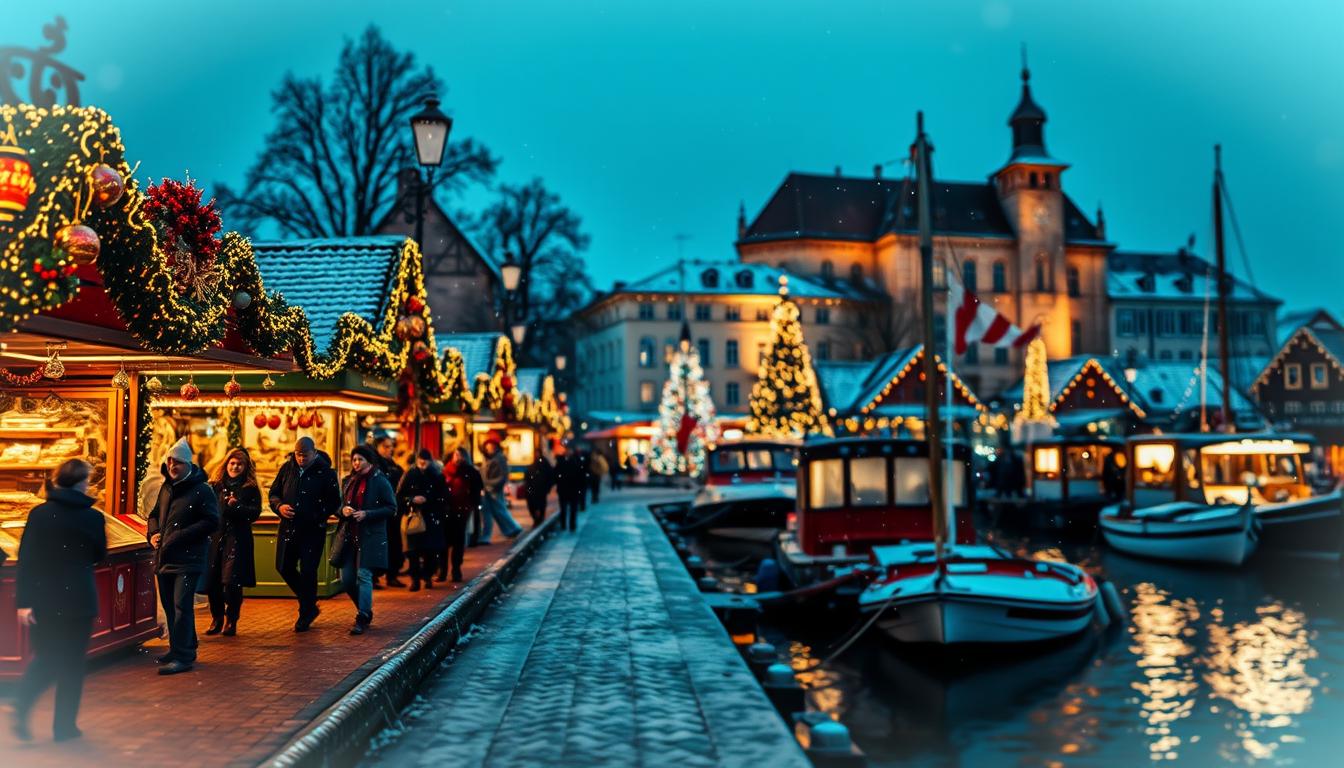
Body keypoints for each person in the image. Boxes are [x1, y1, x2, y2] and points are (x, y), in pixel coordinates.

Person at [11, 459, 107, 742]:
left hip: (45, 598)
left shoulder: (40, 513)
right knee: (73, 664)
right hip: (79, 597)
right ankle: (64, 727)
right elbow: (99, 555)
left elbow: (26, 559)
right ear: (81, 483)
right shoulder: (93, 517)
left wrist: (24, 602)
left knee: (47, 658)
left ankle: (22, 703)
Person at [146, 437, 220, 675]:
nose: (171, 466)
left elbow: (211, 521)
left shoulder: (202, 490)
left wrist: (180, 535)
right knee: (170, 605)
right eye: (168, 462)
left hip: (188, 558)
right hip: (165, 556)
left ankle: (184, 656)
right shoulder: (167, 488)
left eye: (176, 462)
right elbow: (154, 514)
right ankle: (180, 646)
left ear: (188, 464)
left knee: (181, 605)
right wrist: (153, 533)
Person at [269, 436, 342, 632]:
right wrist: (279, 506)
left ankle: (305, 612)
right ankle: (309, 604)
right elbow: (273, 493)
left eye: (305, 455)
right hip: (288, 528)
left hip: (312, 530)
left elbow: (334, 501)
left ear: (314, 453)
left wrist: (318, 515)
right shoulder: (287, 469)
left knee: (309, 571)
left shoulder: (325, 473)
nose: (301, 459)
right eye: (298, 455)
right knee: (283, 566)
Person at [335, 446, 395, 634]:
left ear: (369, 461)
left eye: (360, 459)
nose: (356, 463)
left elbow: (391, 508)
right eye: (354, 460)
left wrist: (367, 514)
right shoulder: (348, 481)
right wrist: (343, 511)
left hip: (370, 536)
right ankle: (364, 610)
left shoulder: (379, 481)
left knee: (364, 575)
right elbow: (339, 505)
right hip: (349, 535)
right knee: (347, 579)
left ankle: (362, 615)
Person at [205, 448, 262, 637]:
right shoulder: (215, 486)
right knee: (212, 581)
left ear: (245, 467)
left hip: (237, 539)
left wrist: (236, 506)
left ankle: (232, 618)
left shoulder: (250, 488)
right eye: (232, 463)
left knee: (231, 582)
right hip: (215, 537)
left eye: (239, 464)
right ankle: (217, 617)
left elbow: (254, 513)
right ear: (226, 464)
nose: (235, 467)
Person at [396, 449, 446, 591]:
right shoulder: (410, 475)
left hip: (431, 517)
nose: (423, 463)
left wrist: (428, 500)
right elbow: (399, 495)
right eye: (420, 460)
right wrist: (411, 500)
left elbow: (443, 497)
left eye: (425, 460)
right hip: (414, 517)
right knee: (413, 552)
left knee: (430, 551)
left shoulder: (436, 475)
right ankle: (416, 579)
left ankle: (427, 576)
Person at [442, 448, 482, 581]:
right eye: (456, 455)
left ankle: (456, 569)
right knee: (444, 542)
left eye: (461, 455)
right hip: (446, 511)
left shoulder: (470, 471)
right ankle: (442, 570)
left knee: (458, 542)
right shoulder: (444, 471)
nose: (459, 458)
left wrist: (471, 505)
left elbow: (476, 489)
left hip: (461, 510)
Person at [373, 435, 406, 588]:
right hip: (379, 510)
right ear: (378, 447)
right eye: (386, 446)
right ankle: (375, 576)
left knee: (393, 543)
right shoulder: (375, 466)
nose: (390, 449)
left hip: (393, 510)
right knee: (379, 543)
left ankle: (392, 574)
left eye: (390, 446)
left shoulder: (393, 466)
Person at [476, 438, 523, 543]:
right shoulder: (486, 458)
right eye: (488, 447)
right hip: (486, 489)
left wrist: (491, 484)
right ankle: (488, 536)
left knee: (498, 510)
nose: (489, 449)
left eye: (491, 447)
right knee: (488, 513)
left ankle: (512, 529)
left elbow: (503, 476)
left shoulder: (500, 458)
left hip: (494, 490)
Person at [554, 447, 587, 532]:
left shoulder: (574, 462)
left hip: (570, 489)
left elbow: (581, 476)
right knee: (566, 509)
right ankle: (566, 524)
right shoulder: (573, 462)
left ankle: (569, 524)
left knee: (570, 508)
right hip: (567, 489)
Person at [523, 454, 554, 528]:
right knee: (536, 505)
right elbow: (527, 479)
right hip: (535, 490)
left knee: (538, 505)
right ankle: (538, 519)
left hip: (539, 490)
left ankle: (538, 519)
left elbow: (550, 478)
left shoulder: (544, 467)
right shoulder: (532, 468)